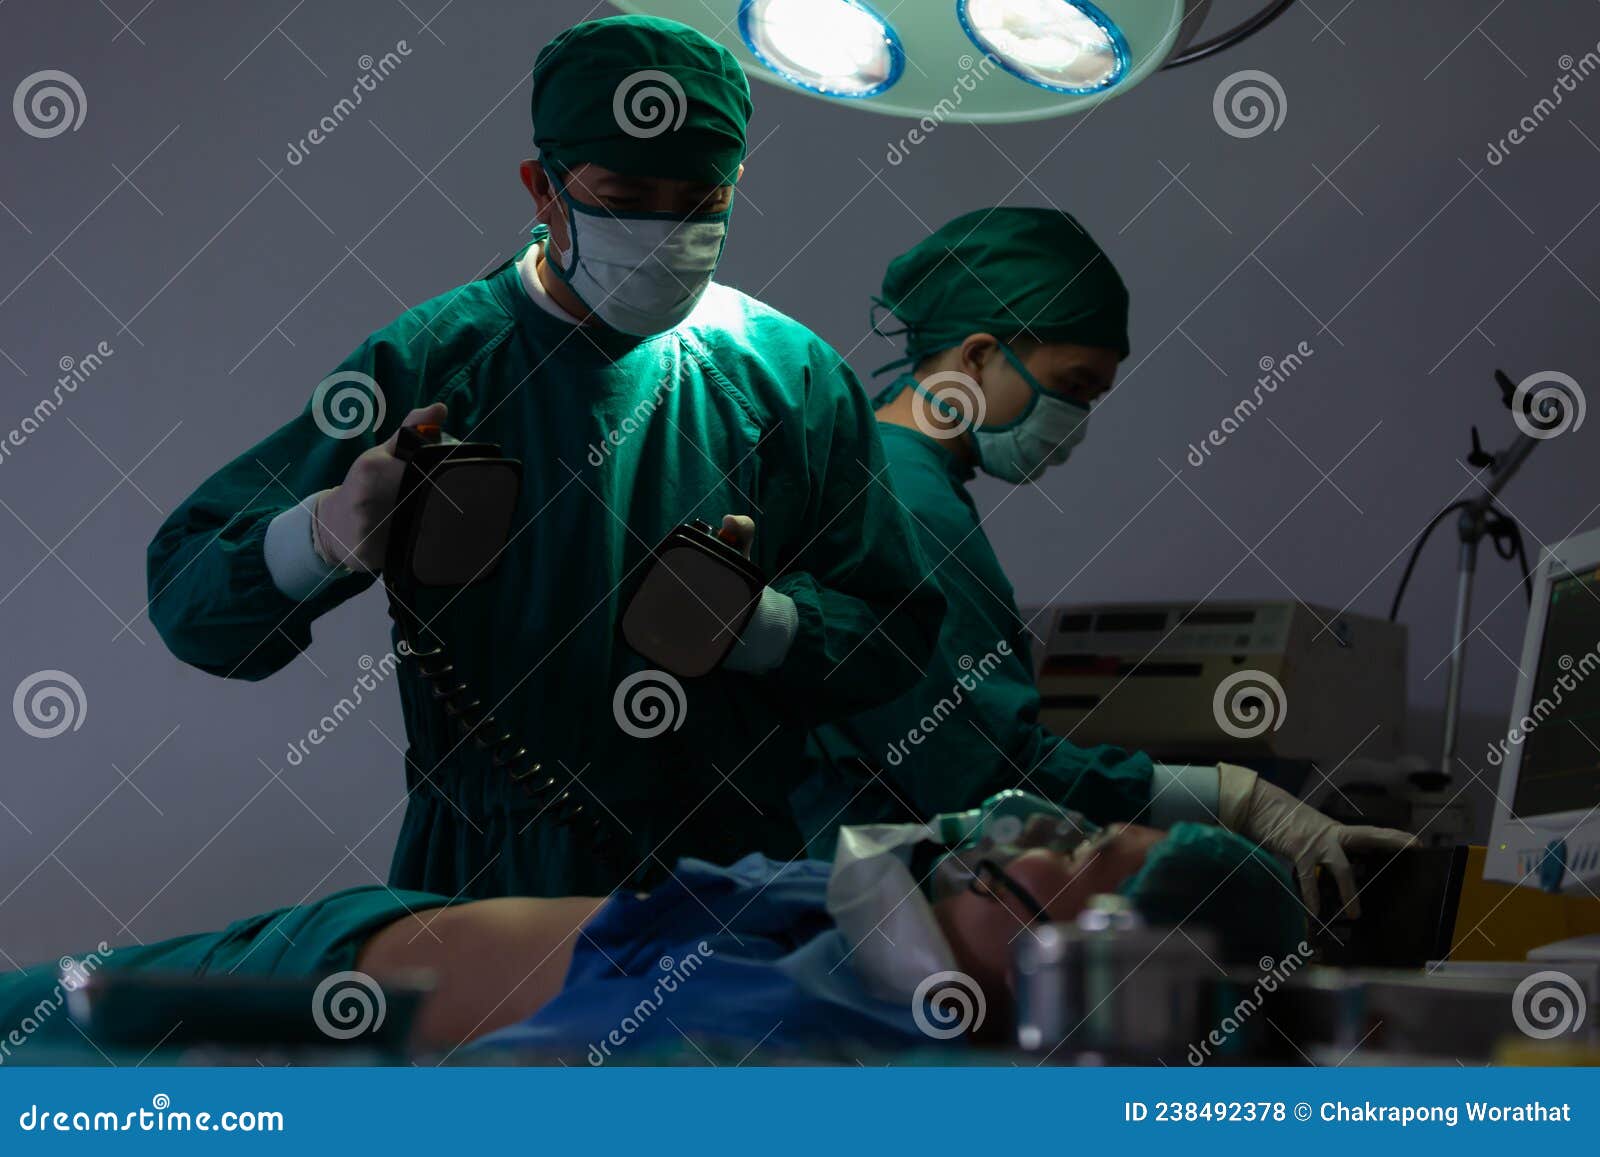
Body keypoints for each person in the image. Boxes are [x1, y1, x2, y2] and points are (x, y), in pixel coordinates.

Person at [145, 16, 944, 899]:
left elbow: (897, 637)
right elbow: (193, 608)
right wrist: (323, 535)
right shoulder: (433, 363)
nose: (663, 229)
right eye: (627, 196)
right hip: (485, 875)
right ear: (543, 188)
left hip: (720, 878)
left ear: (735, 185)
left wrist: (762, 629)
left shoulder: (790, 377)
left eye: (700, 200)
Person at [795, 207, 1410, 915]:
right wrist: (1236, 800)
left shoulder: (894, 474)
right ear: (977, 356)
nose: (1078, 416)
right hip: (861, 910)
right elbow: (987, 772)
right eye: (1074, 383)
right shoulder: (908, 500)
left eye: (1095, 395)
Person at [0, 815, 1302, 1063]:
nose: (1025, 827)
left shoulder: (812, 1049)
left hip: (277, 1043)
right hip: (321, 953)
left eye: (1071, 852)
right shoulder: (875, 912)